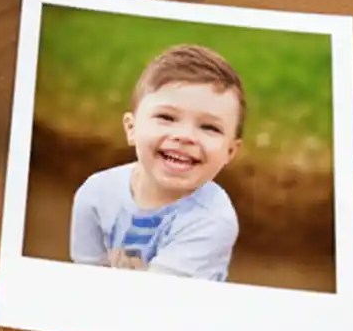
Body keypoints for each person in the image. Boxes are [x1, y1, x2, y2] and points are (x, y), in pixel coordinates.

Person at [70, 44, 244, 281]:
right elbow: (85, 278)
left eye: (209, 127)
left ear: (229, 151)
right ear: (132, 129)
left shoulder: (213, 220)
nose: (185, 136)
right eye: (166, 117)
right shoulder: (95, 194)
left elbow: (155, 302)